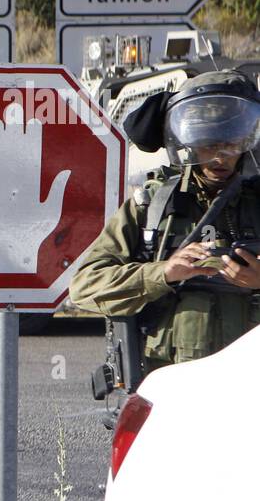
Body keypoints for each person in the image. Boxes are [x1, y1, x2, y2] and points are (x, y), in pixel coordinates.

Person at [71, 70, 260, 380]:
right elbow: (85, 286)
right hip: (171, 390)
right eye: (209, 143)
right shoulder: (152, 207)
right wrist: (162, 274)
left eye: (231, 143)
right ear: (188, 140)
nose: (221, 157)